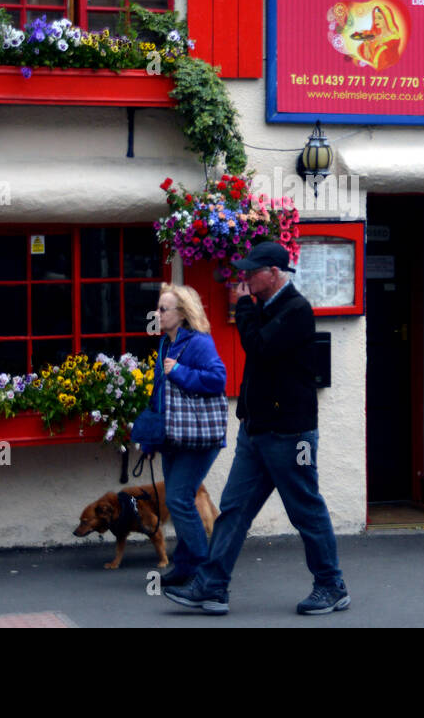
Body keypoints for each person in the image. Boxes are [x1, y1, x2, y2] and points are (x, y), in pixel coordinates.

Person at [164, 241, 349, 615]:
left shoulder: (295, 310)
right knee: (233, 510)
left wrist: (243, 306)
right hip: (258, 430)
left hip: (290, 433)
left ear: (274, 274)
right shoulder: (266, 306)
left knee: (305, 510)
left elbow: (258, 347)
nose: (244, 277)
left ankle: (331, 585)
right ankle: (212, 587)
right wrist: (246, 412)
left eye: (252, 271)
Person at [148, 283, 228, 588]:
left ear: (182, 314)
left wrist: (179, 371)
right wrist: (151, 438)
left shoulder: (199, 343)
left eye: (163, 309)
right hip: (174, 437)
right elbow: (160, 392)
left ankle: (201, 569)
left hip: (199, 437)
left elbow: (218, 379)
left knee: (180, 499)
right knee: (178, 497)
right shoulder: (166, 344)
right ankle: (185, 566)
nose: (157, 314)